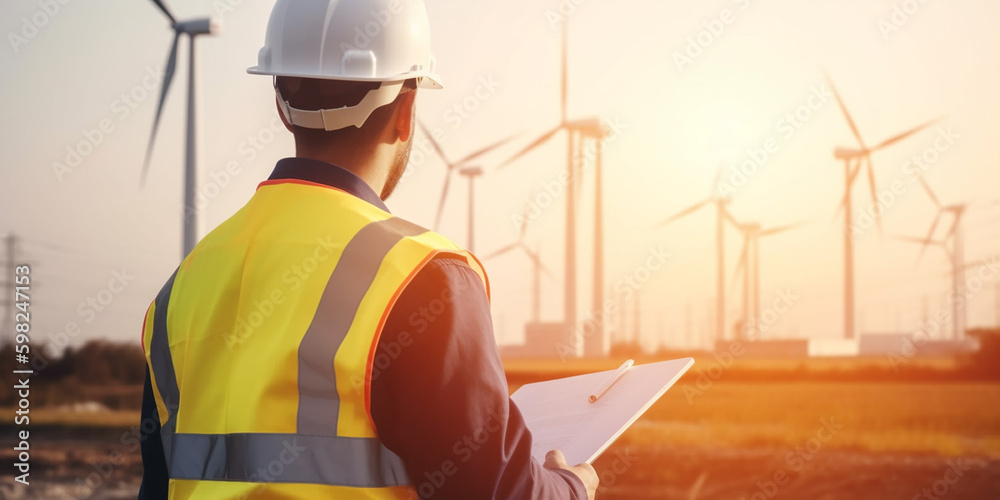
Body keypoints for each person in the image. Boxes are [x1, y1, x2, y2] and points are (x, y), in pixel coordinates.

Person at [137, 1, 599, 498]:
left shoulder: (180, 288)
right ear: (405, 111)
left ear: (280, 105)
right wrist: (572, 488)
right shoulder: (423, 277)